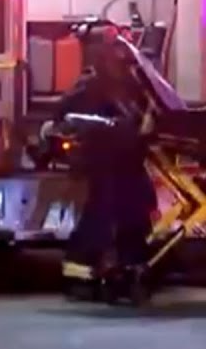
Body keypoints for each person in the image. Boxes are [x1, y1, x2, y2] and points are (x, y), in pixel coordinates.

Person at [47, 24, 158, 294]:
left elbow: (141, 113)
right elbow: (67, 119)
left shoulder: (128, 84)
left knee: (132, 203)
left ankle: (131, 262)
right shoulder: (92, 86)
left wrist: (144, 123)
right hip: (104, 158)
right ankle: (84, 271)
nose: (123, 58)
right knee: (105, 207)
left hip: (123, 158)